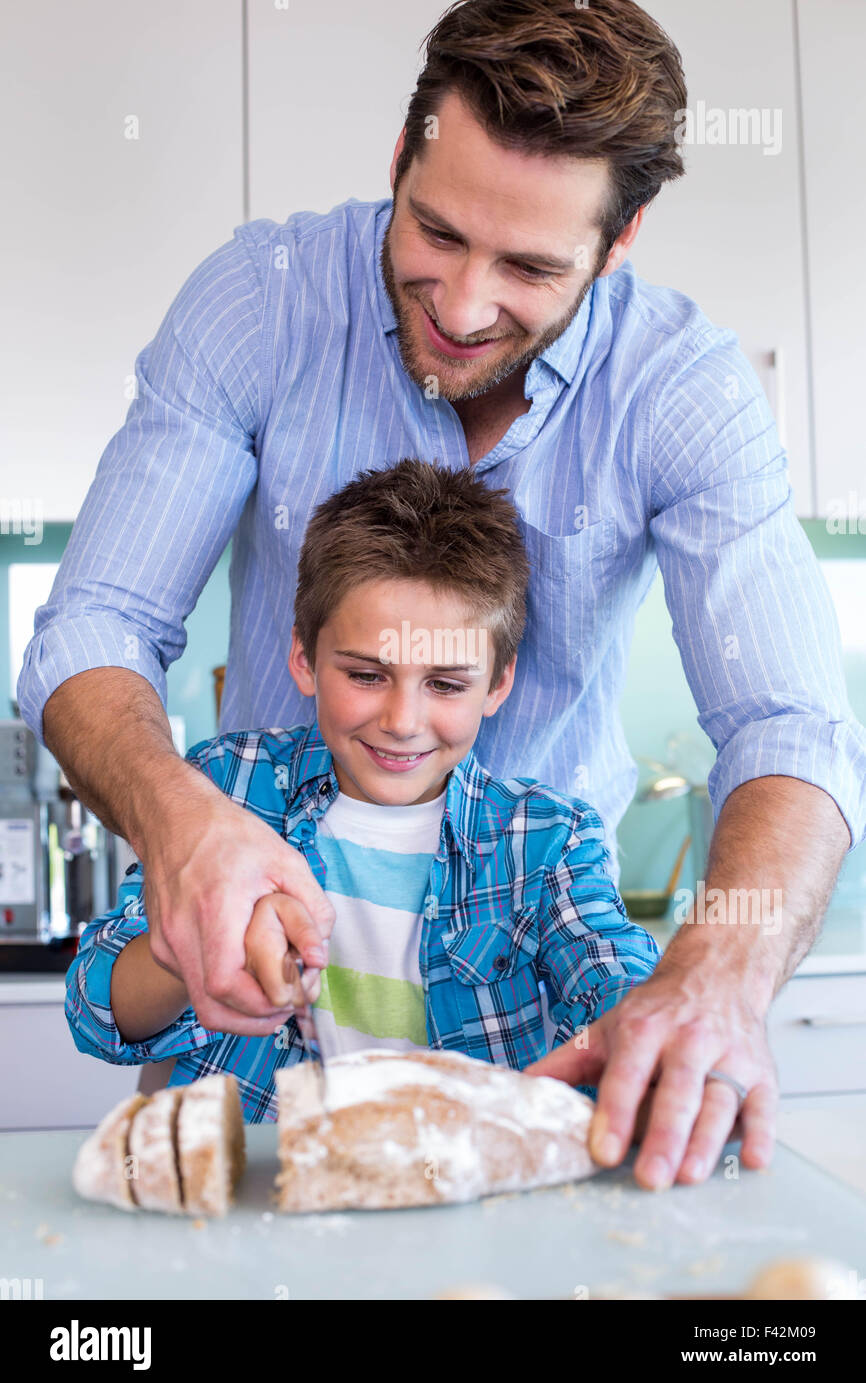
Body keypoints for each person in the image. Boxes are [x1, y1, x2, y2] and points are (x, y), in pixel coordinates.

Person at [19, 0, 865, 1182]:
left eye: (527, 266)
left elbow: (786, 724)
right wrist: (178, 824)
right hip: (247, 1111)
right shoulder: (261, 302)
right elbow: (98, 622)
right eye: (436, 231)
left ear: (618, 243)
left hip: (516, 1101)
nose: (462, 308)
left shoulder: (683, 390)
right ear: (400, 157)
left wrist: (712, 975)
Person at [64, 459, 660, 1123]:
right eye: (368, 675)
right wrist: (200, 942)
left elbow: (609, 969)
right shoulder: (227, 788)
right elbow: (95, 1010)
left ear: (497, 684)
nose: (403, 721)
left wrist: (646, 1021)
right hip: (258, 1203)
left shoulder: (548, 840)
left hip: (457, 1210)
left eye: (445, 684)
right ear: (304, 658)